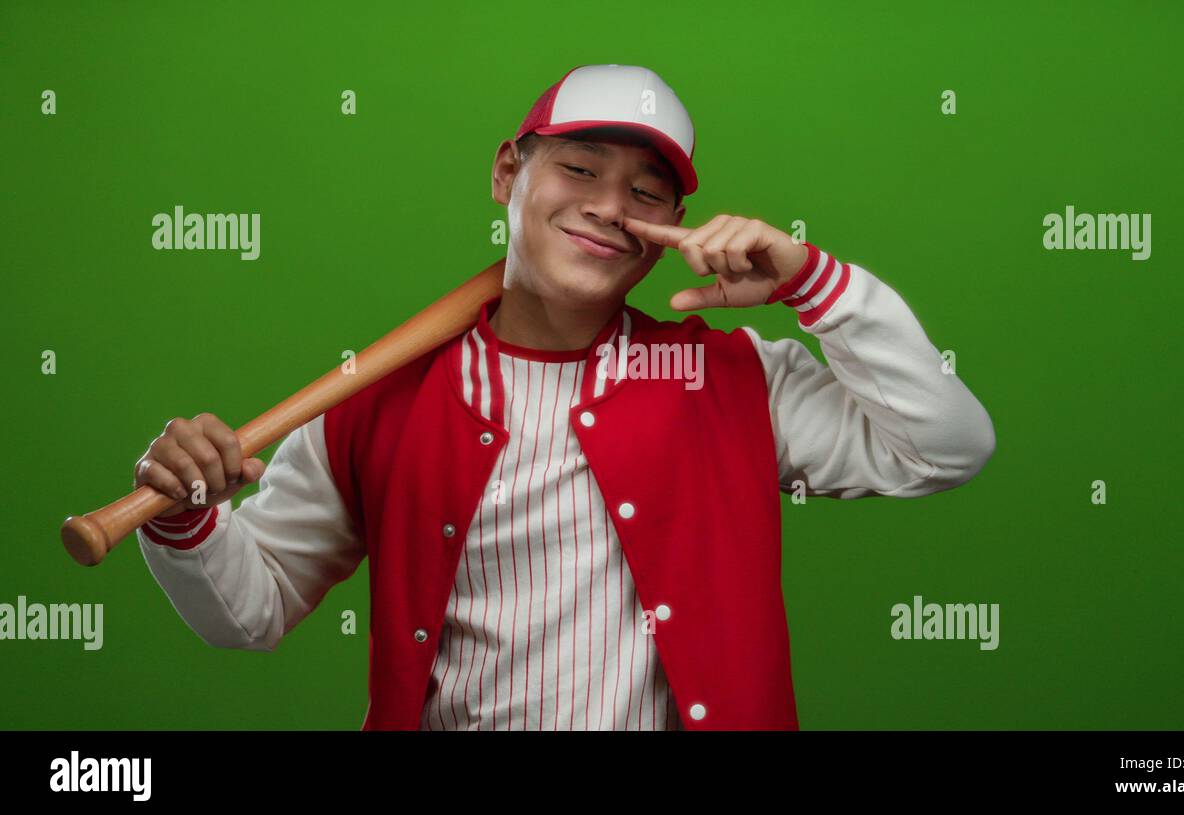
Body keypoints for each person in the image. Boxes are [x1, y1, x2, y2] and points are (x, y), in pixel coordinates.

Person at [134, 64, 997, 730]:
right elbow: (251, 611)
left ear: (673, 228)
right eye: (580, 167)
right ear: (510, 171)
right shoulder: (376, 397)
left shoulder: (731, 379)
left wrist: (815, 283)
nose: (609, 207)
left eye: (647, 192)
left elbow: (947, 445)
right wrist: (184, 520)